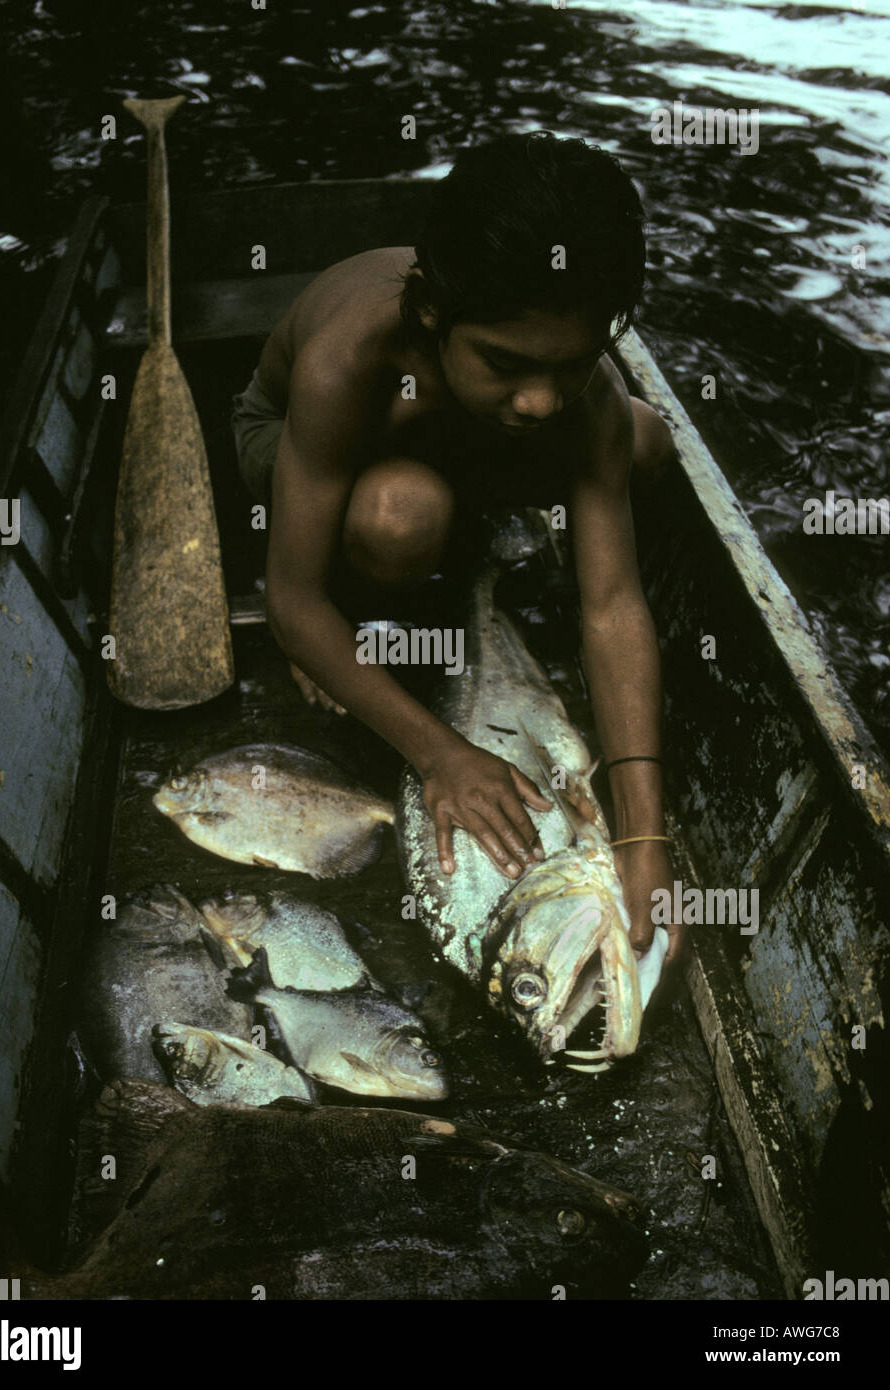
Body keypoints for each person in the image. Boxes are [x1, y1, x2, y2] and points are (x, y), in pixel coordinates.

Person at [232, 131, 682, 967]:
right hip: (317, 453)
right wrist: (442, 755)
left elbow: (614, 605)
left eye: (574, 364)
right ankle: (357, 611)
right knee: (400, 514)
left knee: (645, 443)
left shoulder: (562, 394)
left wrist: (643, 828)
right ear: (434, 314)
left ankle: (473, 532)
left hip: (462, 442)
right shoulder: (351, 358)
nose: (542, 399)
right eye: (507, 362)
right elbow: (287, 603)